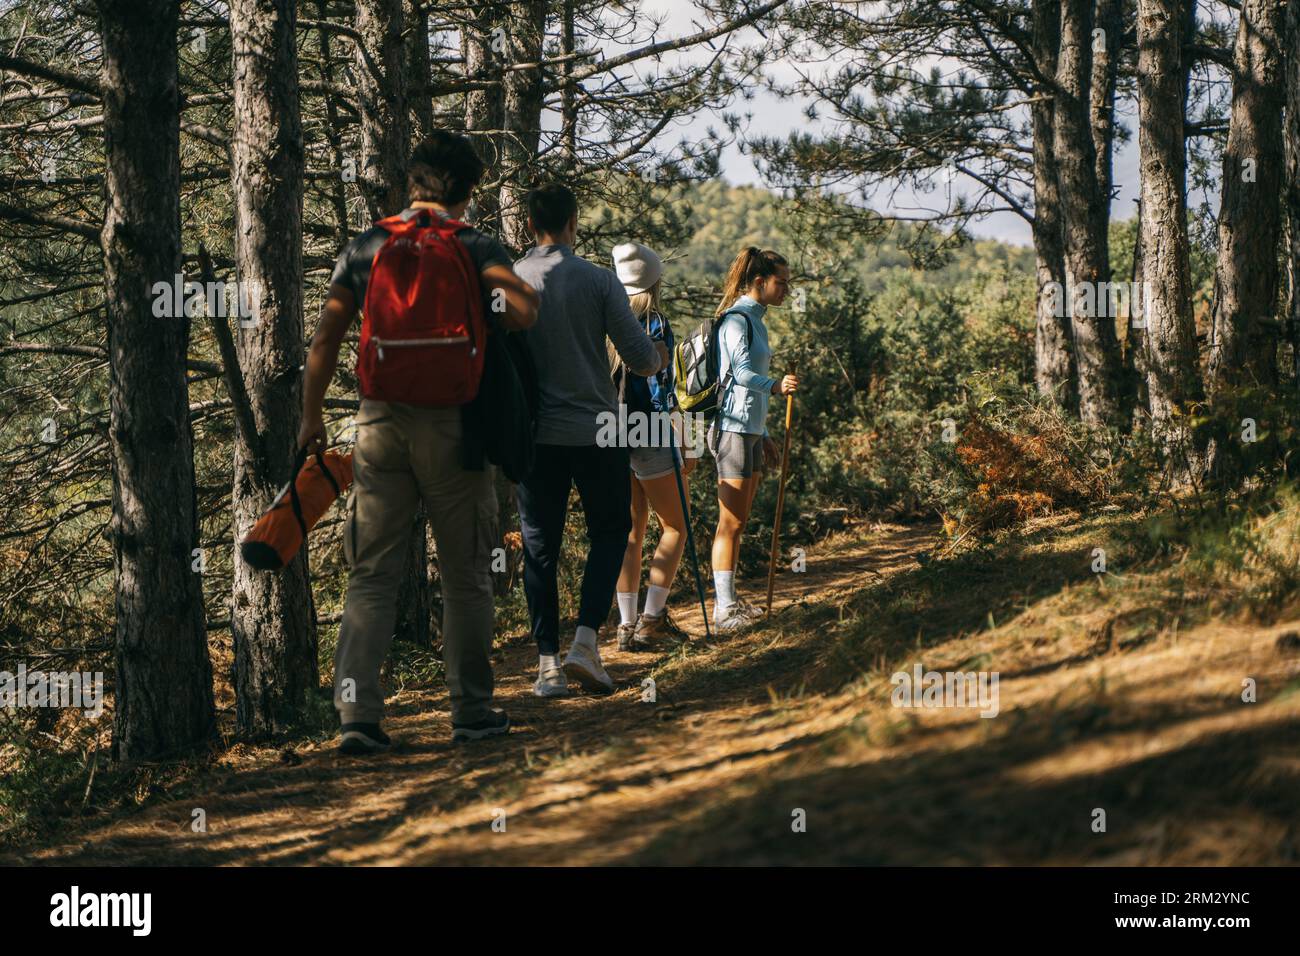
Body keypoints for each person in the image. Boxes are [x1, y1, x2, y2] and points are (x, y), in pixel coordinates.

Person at [298, 131, 539, 754]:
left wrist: (311, 417)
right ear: (465, 189)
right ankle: (472, 712)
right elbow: (524, 310)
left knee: (372, 574)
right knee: (465, 575)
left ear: (413, 182)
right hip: (455, 427)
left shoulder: (368, 245)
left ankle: (356, 718)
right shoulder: (472, 243)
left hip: (379, 423)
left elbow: (326, 336)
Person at [512, 186, 668, 697]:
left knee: (539, 547)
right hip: (598, 429)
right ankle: (585, 643)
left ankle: (546, 666)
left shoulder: (511, 279)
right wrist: (662, 356)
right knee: (611, 529)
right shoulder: (599, 282)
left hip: (535, 435)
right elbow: (641, 359)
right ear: (574, 223)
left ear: (531, 224)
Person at [707, 247, 799, 632]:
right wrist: (776, 386)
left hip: (748, 430)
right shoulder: (736, 321)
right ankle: (723, 610)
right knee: (730, 521)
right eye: (781, 283)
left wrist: (763, 434)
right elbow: (740, 375)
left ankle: (731, 602)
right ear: (759, 282)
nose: (786, 291)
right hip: (731, 430)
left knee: (740, 520)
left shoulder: (756, 321)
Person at [609, 242, 695, 651]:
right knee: (677, 525)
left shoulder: (604, 321)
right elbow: (664, 391)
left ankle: (626, 624)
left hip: (610, 431)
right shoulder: (654, 323)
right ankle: (652, 619)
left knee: (630, 531)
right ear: (654, 280)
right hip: (649, 430)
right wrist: (686, 439)